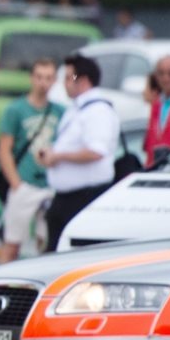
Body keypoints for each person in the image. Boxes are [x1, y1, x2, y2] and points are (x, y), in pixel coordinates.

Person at [38, 55, 119, 252]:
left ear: (82, 80)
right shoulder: (78, 108)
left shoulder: (97, 110)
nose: (65, 83)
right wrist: (52, 154)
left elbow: (96, 151)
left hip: (84, 197)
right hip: (66, 198)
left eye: (69, 78)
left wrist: (58, 156)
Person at [0, 59, 63, 263]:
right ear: (32, 78)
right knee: (12, 243)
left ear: (54, 81)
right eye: (39, 77)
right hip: (25, 182)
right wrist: (16, 184)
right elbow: (4, 150)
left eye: (48, 78)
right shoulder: (16, 110)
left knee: (47, 243)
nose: (43, 83)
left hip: (50, 185)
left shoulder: (60, 111)